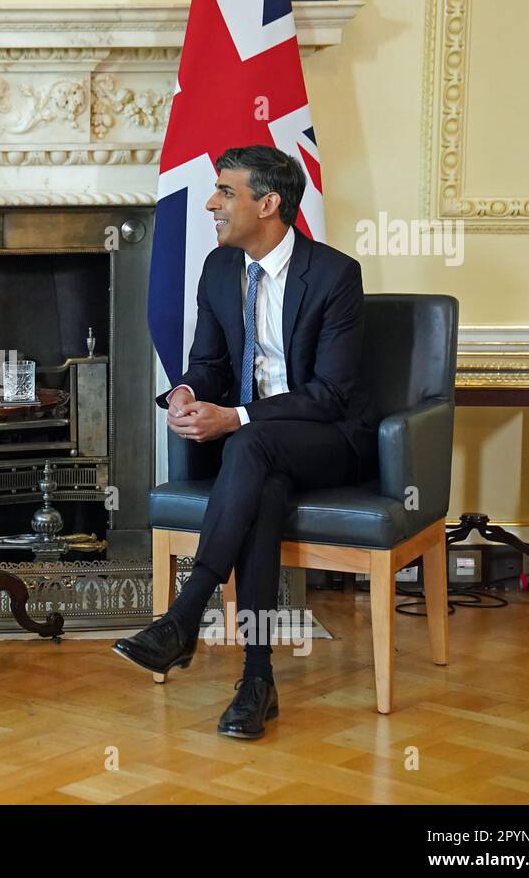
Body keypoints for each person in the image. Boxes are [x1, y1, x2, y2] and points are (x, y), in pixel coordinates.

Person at [114, 145, 377, 739]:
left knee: (249, 446)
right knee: (260, 480)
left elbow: (333, 393)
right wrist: (184, 391)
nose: (210, 202)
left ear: (269, 202)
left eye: (225, 192)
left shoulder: (335, 275)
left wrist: (235, 417)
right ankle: (257, 681)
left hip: (330, 439)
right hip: (260, 451)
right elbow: (207, 362)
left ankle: (187, 610)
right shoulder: (218, 269)